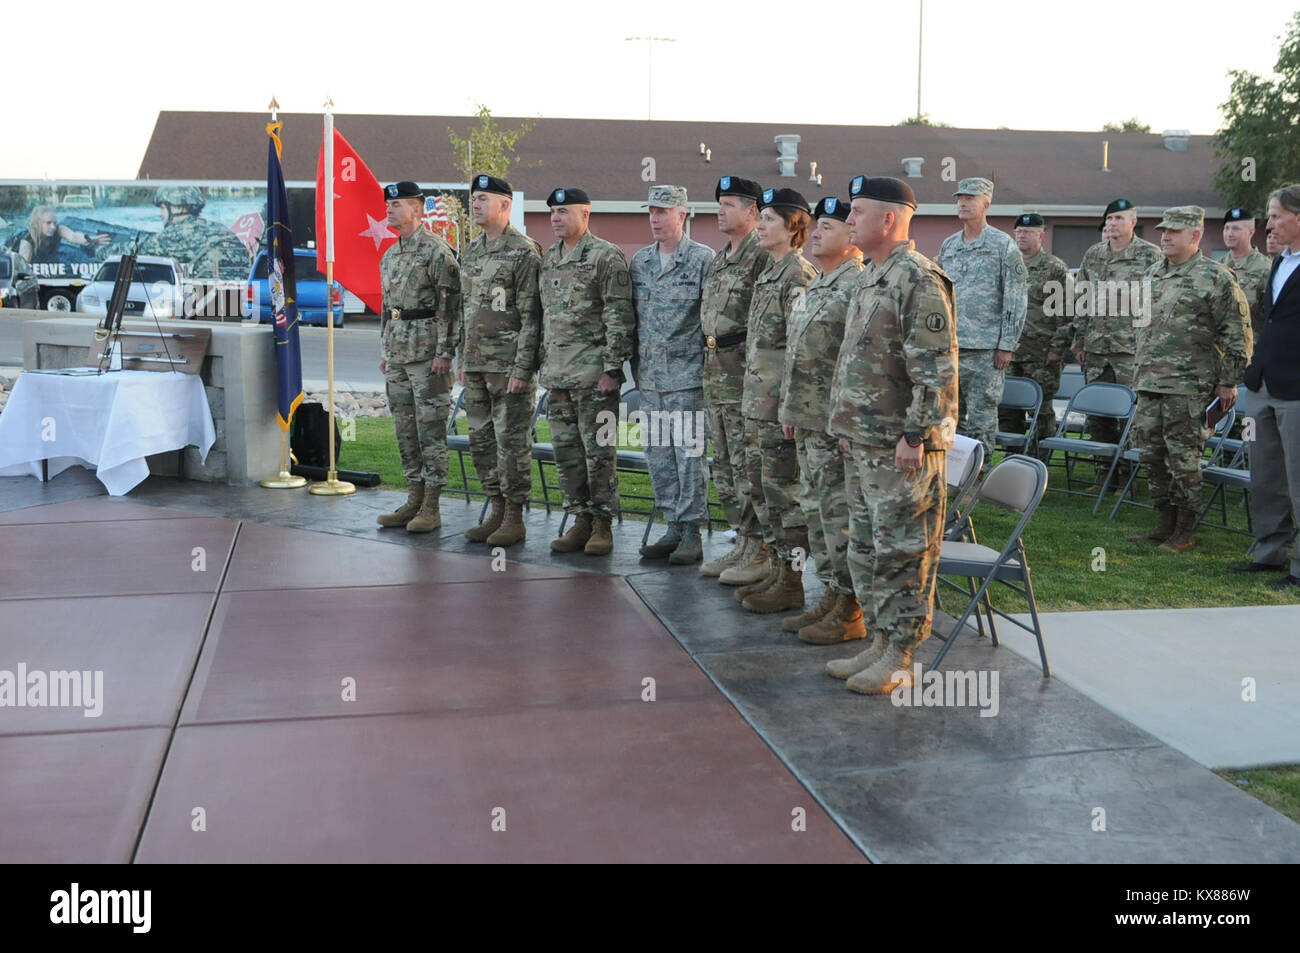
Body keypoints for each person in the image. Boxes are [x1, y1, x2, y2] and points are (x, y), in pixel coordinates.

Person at [825, 176, 958, 694]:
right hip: (863, 442)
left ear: (888, 219)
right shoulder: (871, 275)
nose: (848, 219)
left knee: (904, 551)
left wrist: (916, 435)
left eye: (857, 212)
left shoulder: (918, 279)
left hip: (902, 447)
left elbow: (935, 372)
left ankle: (901, 654)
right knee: (868, 548)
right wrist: (845, 427)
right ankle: (879, 642)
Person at [1127, 206, 1250, 552]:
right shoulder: (1153, 273)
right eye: (1163, 230)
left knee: (1183, 459)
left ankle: (1185, 529)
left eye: (1174, 232)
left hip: (1190, 387)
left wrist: (1228, 382)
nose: (1164, 236)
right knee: (1151, 454)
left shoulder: (1216, 277)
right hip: (1150, 383)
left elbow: (1237, 334)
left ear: (1195, 236)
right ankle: (1164, 521)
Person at [778, 196, 866, 642]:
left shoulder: (857, 285)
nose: (815, 234)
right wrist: (791, 410)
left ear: (852, 235)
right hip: (808, 417)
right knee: (815, 511)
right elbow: (798, 356)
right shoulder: (819, 284)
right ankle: (830, 595)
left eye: (827, 228)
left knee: (839, 515)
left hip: (835, 423)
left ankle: (851, 607)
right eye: (816, 227)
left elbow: (854, 361)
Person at [732, 187, 818, 614]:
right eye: (760, 218)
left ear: (793, 228)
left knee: (786, 495)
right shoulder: (768, 273)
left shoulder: (799, 276)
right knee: (762, 492)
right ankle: (776, 568)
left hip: (778, 409)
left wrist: (791, 406)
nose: (760, 226)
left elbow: (801, 349)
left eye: (768, 219)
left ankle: (793, 581)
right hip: (755, 403)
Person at [538, 188, 635, 556]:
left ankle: (602, 524)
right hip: (558, 377)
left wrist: (613, 368)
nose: (556, 218)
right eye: (553, 213)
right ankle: (579, 519)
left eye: (564, 211)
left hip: (595, 378)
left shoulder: (605, 257)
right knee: (567, 454)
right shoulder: (550, 259)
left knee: (598, 455)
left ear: (586, 214)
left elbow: (619, 317)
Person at [628, 185, 714, 564]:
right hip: (649, 380)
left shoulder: (703, 260)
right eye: (652, 211)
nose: (655, 219)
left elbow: (710, 322)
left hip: (688, 379)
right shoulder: (641, 262)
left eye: (664, 211)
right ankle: (672, 526)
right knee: (659, 455)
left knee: (689, 456)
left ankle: (692, 531)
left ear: (683, 214)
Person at [458, 174, 543, 548]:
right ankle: (495, 506)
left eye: (482, 199)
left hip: (508, 368)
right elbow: (466, 310)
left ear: (504, 205)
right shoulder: (472, 250)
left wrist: (523, 369)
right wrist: (463, 358)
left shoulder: (524, 251)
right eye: (473, 198)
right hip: (476, 364)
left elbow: (531, 317)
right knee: (481, 441)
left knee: (511, 443)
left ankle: (514, 515)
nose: (475, 204)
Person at [375, 181, 462, 533]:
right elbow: (386, 307)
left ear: (418, 209)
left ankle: (432, 505)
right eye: (389, 204)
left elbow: (450, 308)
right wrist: (385, 349)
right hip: (397, 353)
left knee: (430, 430)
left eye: (398, 204)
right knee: (404, 429)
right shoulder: (390, 254)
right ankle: (413, 495)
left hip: (428, 355)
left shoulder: (437, 252)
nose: (390, 210)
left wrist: (445, 353)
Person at [699, 176, 772, 580]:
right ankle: (741, 541)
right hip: (716, 374)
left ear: (752, 212)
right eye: (719, 203)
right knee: (724, 465)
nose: (720, 210)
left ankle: (758, 549)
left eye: (729, 204)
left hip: (744, 375)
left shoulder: (761, 256)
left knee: (748, 467)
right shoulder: (719, 258)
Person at [1234, 184, 1300, 589]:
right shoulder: (1281, 262)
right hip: (1263, 383)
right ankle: (1269, 553)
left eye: (1276, 216)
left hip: (1296, 388)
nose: (1269, 224)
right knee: (1266, 475)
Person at [1071, 198, 1163, 487]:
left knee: (1131, 417)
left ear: (1133, 221)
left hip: (1131, 350)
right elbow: (1082, 298)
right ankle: (1104, 477)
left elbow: (1159, 302)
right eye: (1109, 219)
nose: (1112, 224)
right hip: (1097, 349)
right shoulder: (1094, 254)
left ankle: (1129, 476)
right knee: (1099, 414)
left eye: (1119, 219)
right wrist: (1080, 340)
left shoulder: (1151, 255)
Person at [937, 177, 1027, 462]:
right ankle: (950, 475)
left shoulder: (1003, 245)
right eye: (960, 198)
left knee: (981, 418)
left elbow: (1015, 297)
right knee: (950, 416)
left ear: (986, 203)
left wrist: (1007, 344)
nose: (963, 203)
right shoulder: (949, 246)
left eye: (970, 198)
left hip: (986, 350)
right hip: (951, 347)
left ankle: (978, 476)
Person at [998, 213, 1071, 455]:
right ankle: (1011, 459)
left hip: (1041, 353)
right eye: (1018, 231)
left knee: (1040, 410)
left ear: (1041, 235)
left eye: (1028, 232)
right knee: (1007, 408)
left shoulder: (1054, 268)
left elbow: (1066, 313)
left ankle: (1039, 462)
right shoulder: (1007, 263)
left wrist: (1057, 349)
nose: (1022, 236)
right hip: (1008, 351)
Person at [97, 186, 251, 281]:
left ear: (177, 208)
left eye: (163, 208)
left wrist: (87, 243)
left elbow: (127, 253)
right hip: (238, 297)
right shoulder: (218, 227)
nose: (160, 214)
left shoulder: (177, 234)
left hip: (209, 301)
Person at [1221, 207, 1272, 345]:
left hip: (1251, 352)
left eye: (1236, 229)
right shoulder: (1216, 267)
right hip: (1220, 355)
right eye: (1227, 228)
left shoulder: (1266, 269)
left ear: (1251, 232)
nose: (1229, 234)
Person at [17, 206, 109, 262]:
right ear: (37, 223)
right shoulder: (27, 241)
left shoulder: (58, 229)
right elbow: (22, 266)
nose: (53, 227)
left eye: (54, 223)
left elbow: (73, 236)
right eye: (48, 223)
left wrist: (91, 239)